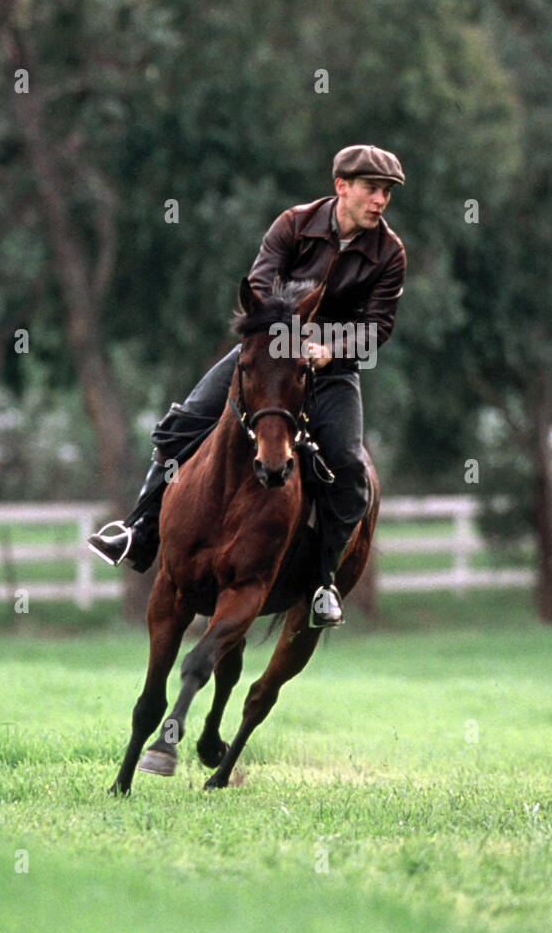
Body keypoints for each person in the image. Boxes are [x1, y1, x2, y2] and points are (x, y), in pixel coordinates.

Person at [88, 143, 406, 627]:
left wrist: (329, 349)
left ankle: (322, 584)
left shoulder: (390, 252)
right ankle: (136, 532)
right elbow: (259, 292)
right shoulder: (292, 224)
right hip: (268, 358)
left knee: (348, 468)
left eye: (386, 192)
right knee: (183, 424)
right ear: (342, 186)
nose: (380, 200)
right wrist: (295, 339)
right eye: (371, 189)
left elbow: (378, 327)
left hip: (333, 371)